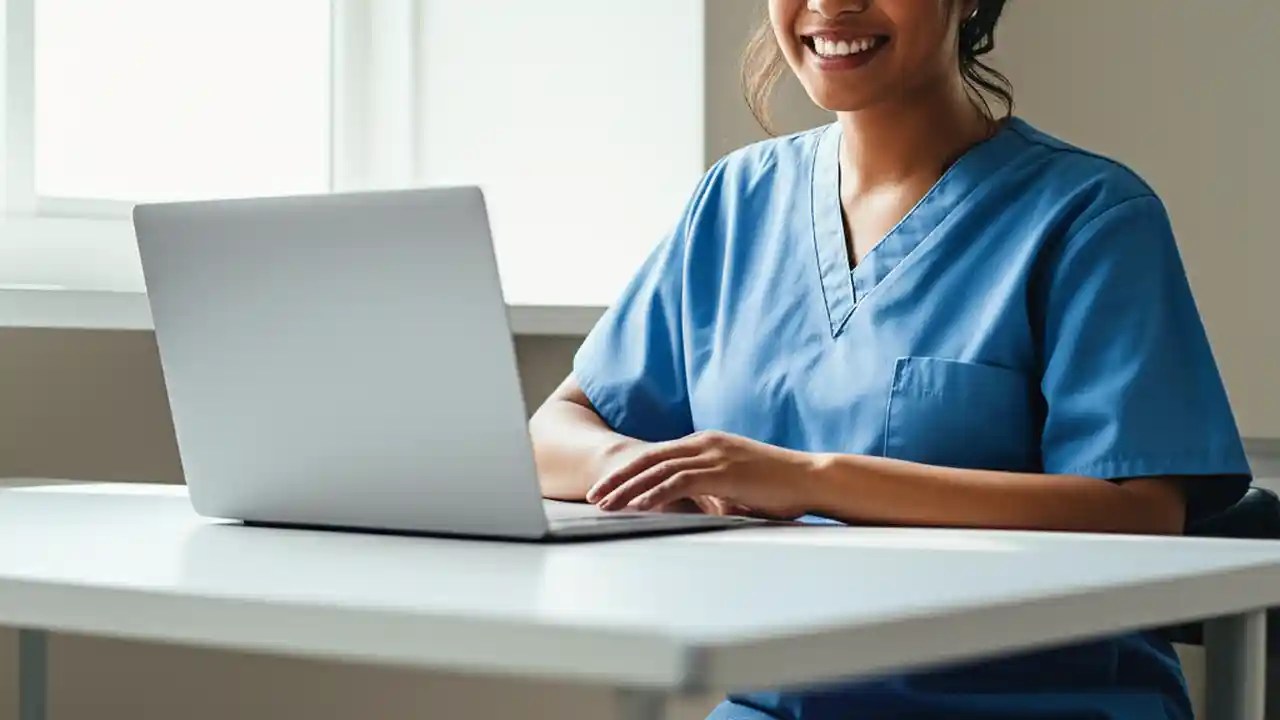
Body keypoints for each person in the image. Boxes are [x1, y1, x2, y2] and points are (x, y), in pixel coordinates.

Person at [529, 0, 1253, 717]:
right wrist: (642, 470)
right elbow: (554, 432)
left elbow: (1141, 515)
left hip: (1038, 704)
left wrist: (810, 480)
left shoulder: (1089, 216)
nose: (831, 6)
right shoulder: (733, 202)